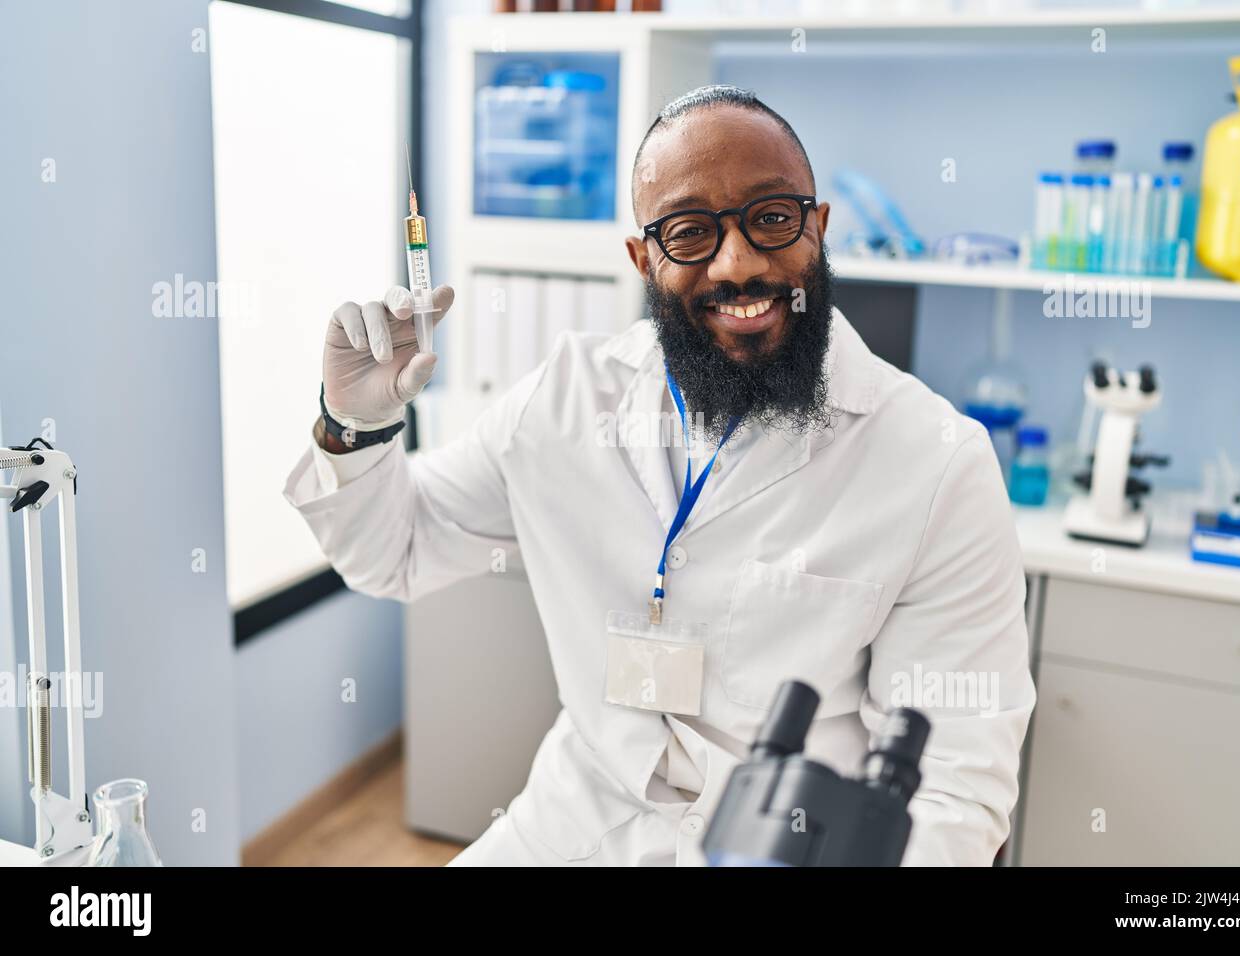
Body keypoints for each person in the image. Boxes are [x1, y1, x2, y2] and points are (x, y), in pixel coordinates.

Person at [284, 85, 1035, 866]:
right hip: (569, 829)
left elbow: (953, 796)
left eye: (772, 218)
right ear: (644, 258)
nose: (739, 263)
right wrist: (353, 424)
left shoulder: (935, 460)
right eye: (690, 232)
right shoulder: (567, 400)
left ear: (818, 228)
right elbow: (392, 552)